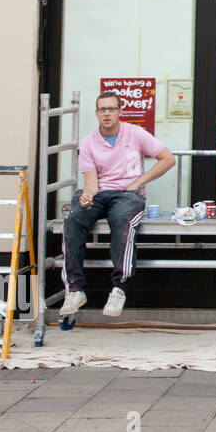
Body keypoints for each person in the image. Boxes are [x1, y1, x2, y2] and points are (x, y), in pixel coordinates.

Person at [61, 90, 175, 318]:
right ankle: (75, 289)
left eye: (111, 109)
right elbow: (91, 182)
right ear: (96, 113)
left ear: (120, 112)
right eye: (102, 109)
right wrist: (87, 196)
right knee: (73, 219)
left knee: (122, 219)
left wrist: (138, 182)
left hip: (127, 194)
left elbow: (168, 158)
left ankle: (119, 288)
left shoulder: (135, 133)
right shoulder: (89, 142)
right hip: (100, 193)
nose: (107, 114)